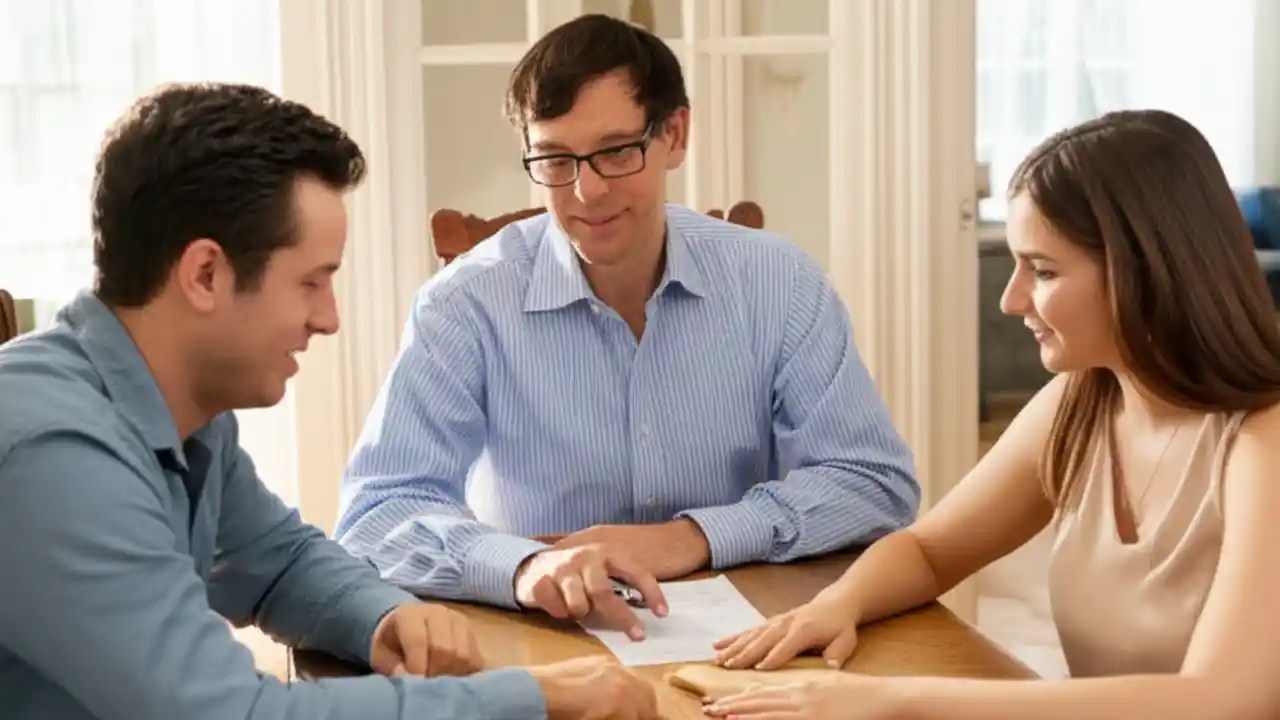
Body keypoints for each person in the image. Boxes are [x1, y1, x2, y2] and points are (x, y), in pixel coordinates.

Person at [0, 82, 657, 720]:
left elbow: (278, 562)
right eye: (311, 282)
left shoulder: (183, 411)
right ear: (205, 274)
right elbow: (225, 712)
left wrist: (382, 615)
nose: (329, 318)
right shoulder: (52, 455)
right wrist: (531, 697)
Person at [334, 13, 919, 639]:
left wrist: (691, 538)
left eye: (616, 151)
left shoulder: (779, 282)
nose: (587, 192)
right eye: (556, 160)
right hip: (543, 635)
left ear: (675, 134)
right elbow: (376, 515)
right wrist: (526, 565)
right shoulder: (463, 303)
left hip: (748, 632)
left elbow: (872, 482)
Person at [703, 109, 1280, 719]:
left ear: (1146, 271)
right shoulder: (1081, 403)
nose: (1012, 299)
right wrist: (835, 606)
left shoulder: (1262, 444)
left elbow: (1222, 700)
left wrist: (893, 700)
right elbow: (930, 552)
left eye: (1045, 270)